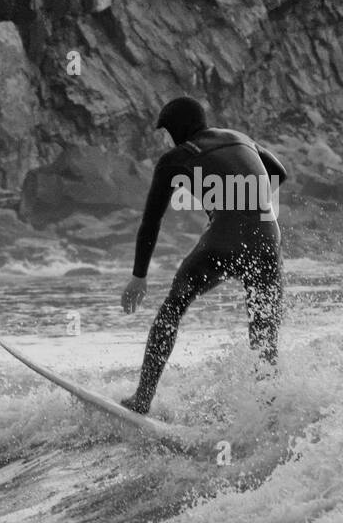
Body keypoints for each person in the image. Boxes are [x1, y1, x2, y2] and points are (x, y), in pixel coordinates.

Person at [120, 96, 287, 414]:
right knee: (263, 334)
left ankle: (142, 398)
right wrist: (247, 202)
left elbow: (151, 221)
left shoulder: (176, 157)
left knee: (173, 308)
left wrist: (139, 276)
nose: (166, 140)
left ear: (177, 129)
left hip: (223, 241)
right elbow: (278, 172)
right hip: (267, 240)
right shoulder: (240, 138)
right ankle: (269, 412)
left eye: (166, 132)